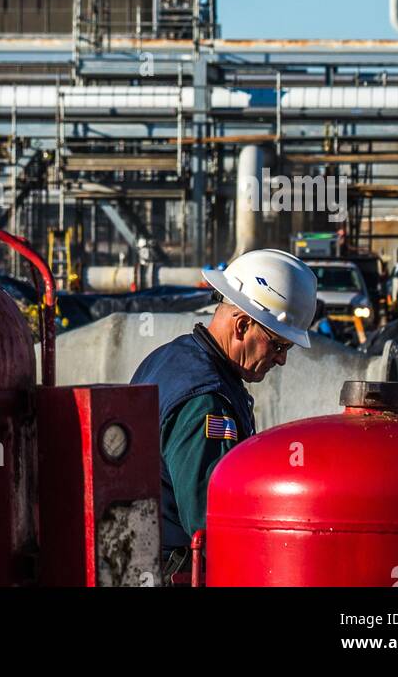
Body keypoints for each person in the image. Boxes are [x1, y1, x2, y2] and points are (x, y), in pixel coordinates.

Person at [131, 248, 317, 580]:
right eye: (278, 345)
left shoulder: (170, 357)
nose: (281, 360)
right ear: (243, 325)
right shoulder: (205, 400)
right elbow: (212, 523)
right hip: (176, 573)